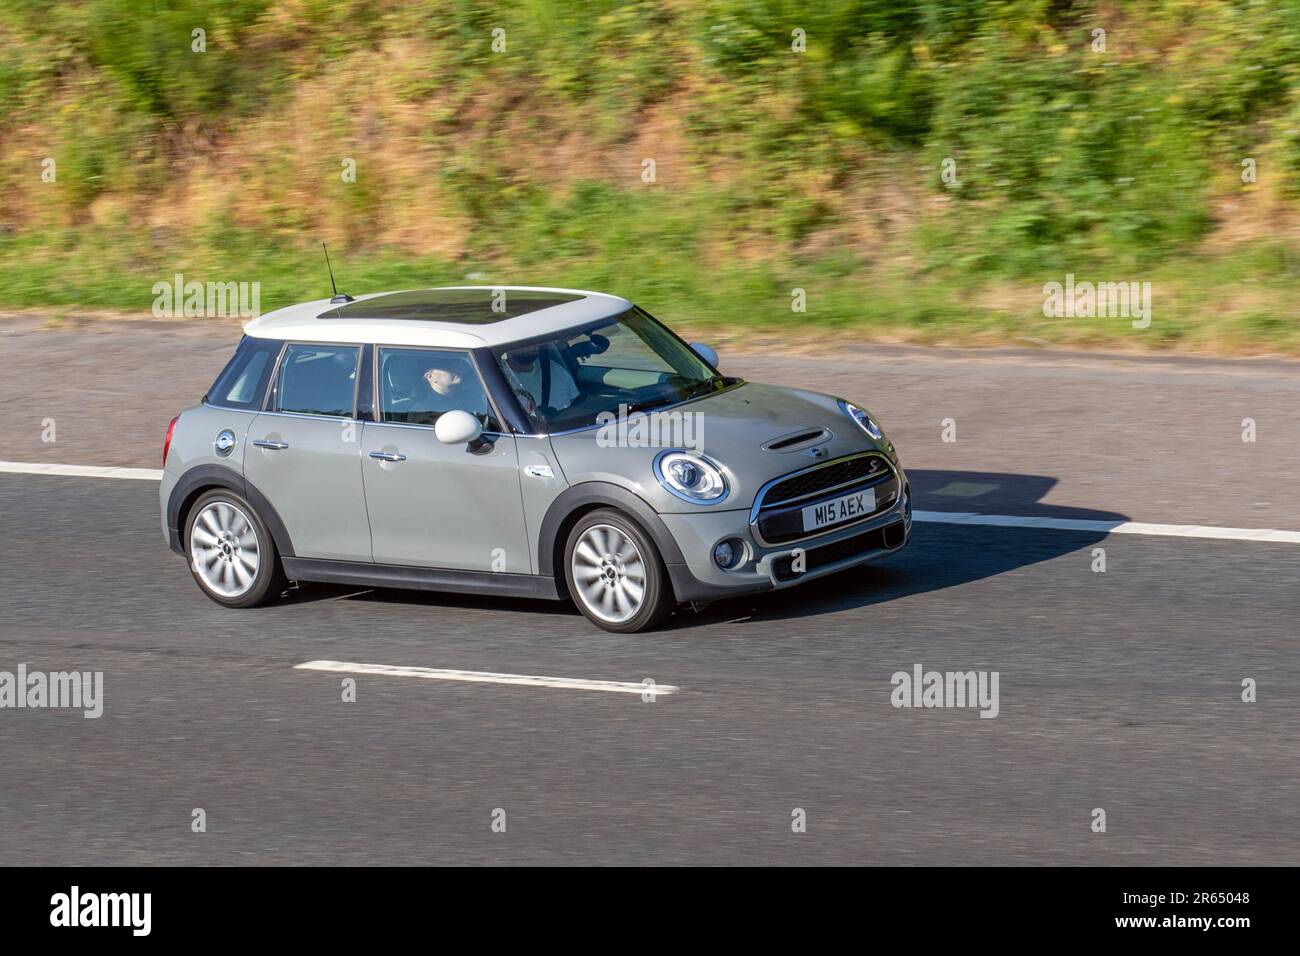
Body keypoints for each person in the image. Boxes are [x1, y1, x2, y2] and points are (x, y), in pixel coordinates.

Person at [504, 345, 579, 414]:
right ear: (508, 348)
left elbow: (577, 401)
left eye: (534, 341)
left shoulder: (553, 367)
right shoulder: (499, 379)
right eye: (525, 343)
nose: (533, 346)